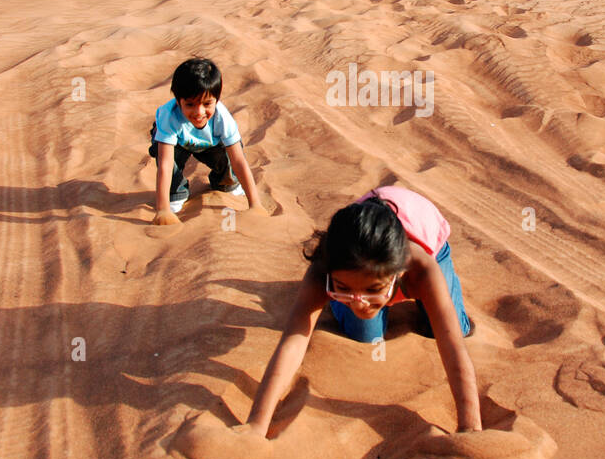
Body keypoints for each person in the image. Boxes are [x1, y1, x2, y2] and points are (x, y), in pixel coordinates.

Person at [243, 186, 479, 438]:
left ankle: (403, 291)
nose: (359, 303)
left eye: (373, 289)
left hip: (425, 231)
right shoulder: (326, 265)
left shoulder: (422, 269)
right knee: (366, 334)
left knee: (448, 328)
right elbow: (293, 341)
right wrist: (256, 426)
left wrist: (470, 427)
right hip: (362, 239)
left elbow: (452, 346)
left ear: (399, 274)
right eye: (343, 288)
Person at [150, 57, 264, 225]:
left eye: (207, 103)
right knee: (168, 162)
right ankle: (176, 192)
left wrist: (255, 204)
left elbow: (239, 160)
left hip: (212, 143)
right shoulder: (169, 117)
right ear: (177, 100)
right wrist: (163, 209)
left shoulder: (223, 119)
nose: (199, 112)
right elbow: (166, 164)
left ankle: (226, 182)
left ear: (216, 100)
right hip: (178, 144)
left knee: (229, 160)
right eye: (190, 104)